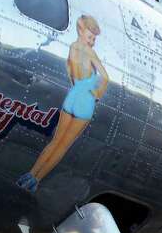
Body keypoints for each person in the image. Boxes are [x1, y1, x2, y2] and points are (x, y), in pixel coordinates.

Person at [17, 15, 110, 193]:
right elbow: (105, 77)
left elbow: (70, 72)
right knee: (63, 145)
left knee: (56, 141)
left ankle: (30, 174)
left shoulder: (73, 47)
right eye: (91, 35)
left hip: (73, 96)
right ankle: (35, 181)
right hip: (85, 101)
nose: (93, 40)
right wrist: (96, 94)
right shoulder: (89, 52)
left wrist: (79, 86)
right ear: (81, 30)